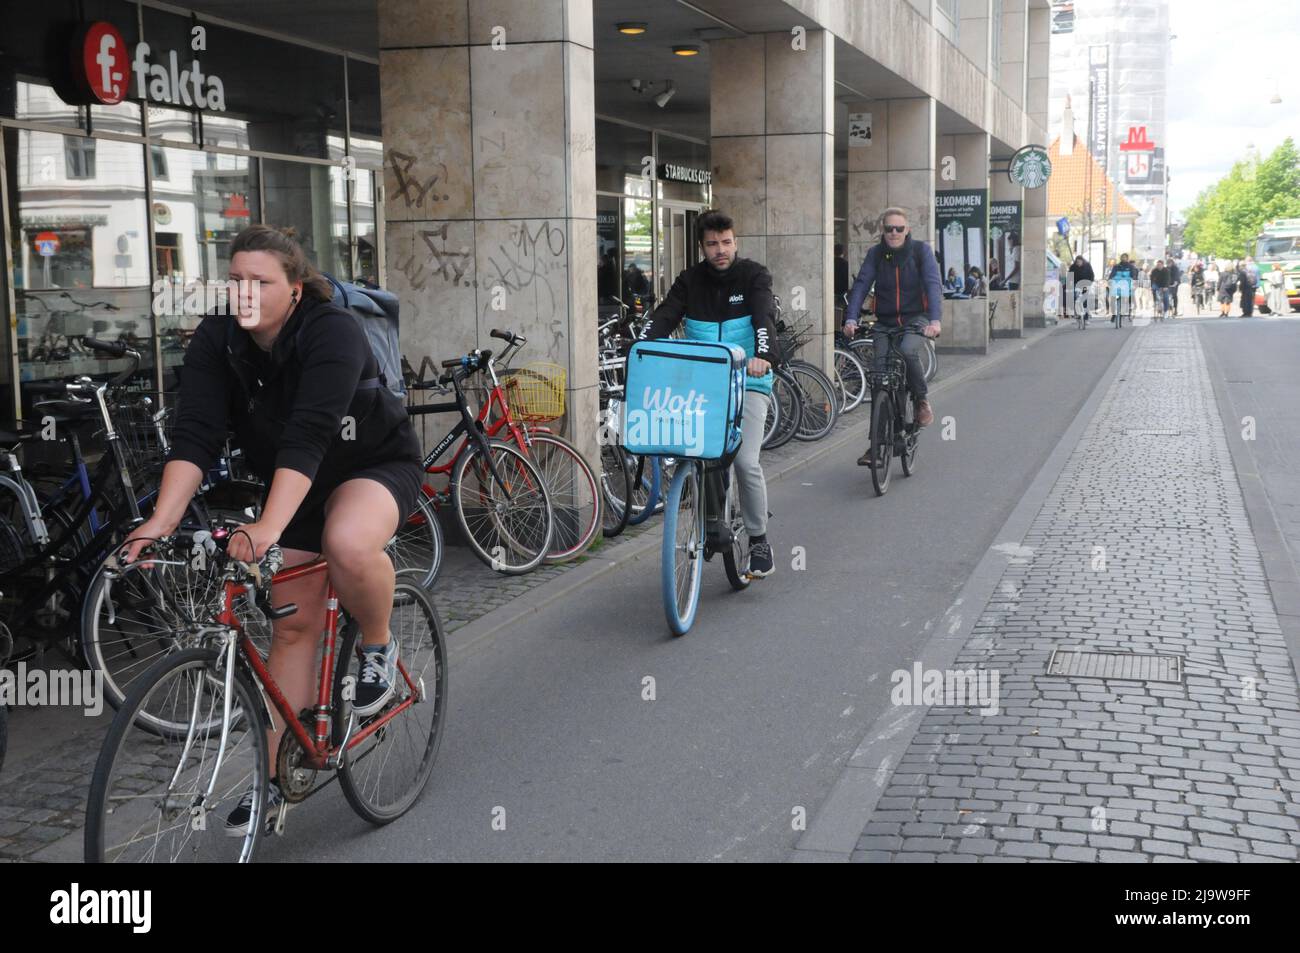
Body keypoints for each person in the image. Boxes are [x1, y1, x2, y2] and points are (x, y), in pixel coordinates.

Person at [121, 224, 425, 833]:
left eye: (260, 281)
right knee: (292, 629)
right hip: (294, 483)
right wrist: (160, 519)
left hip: (369, 464)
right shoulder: (217, 338)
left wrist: (266, 529)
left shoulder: (331, 330)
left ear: (295, 288)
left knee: (346, 542)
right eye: (235, 280)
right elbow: (198, 433)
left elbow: (310, 433)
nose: (245, 293)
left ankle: (376, 645)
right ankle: (272, 782)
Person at [640, 209, 779, 579]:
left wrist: (762, 355)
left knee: (745, 461)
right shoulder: (690, 280)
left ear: (736, 242)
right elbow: (666, 315)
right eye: (713, 244)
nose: (721, 250)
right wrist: (643, 344)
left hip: (749, 381)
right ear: (702, 246)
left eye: (727, 242)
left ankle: (759, 540)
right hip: (705, 383)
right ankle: (711, 517)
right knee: (703, 454)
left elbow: (763, 317)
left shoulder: (753, 276)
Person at [843, 206, 943, 466]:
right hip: (885, 323)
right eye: (889, 229)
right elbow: (862, 284)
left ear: (907, 229)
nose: (894, 233)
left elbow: (933, 284)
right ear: (883, 231)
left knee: (909, 351)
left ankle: (921, 400)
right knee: (879, 379)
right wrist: (851, 317)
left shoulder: (920, 252)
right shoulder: (876, 254)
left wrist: (934, 320)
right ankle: (875, 447)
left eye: (899, 228)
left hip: (915, 319)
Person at [1108, 253, 1139, 322]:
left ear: (1127, 258)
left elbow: (1133, 275)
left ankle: (1123, 313)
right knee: (1113, 298)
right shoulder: (1116, 266)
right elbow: (1112, 274)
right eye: (1122, 257)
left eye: (1125, 257)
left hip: (1126, 285)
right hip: (1117, 284)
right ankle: (1113, 314)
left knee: (1126, 298)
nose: (1123, 258)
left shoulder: (1131, 266)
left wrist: (1133, 279)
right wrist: (1110, 279)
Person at [1068, 255, 1095, 323]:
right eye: (1077, 262)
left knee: (1084, 301)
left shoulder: (1087, 265)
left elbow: (1091, 275)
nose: (1078, 263)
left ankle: (1085, 318)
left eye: (1080, 262)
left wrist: (1090, 282)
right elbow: (1069, 277)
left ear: (1083, 261)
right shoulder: (1073, 267)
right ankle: (1077, 314)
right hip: (1076, 284)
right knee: (1075, 298)